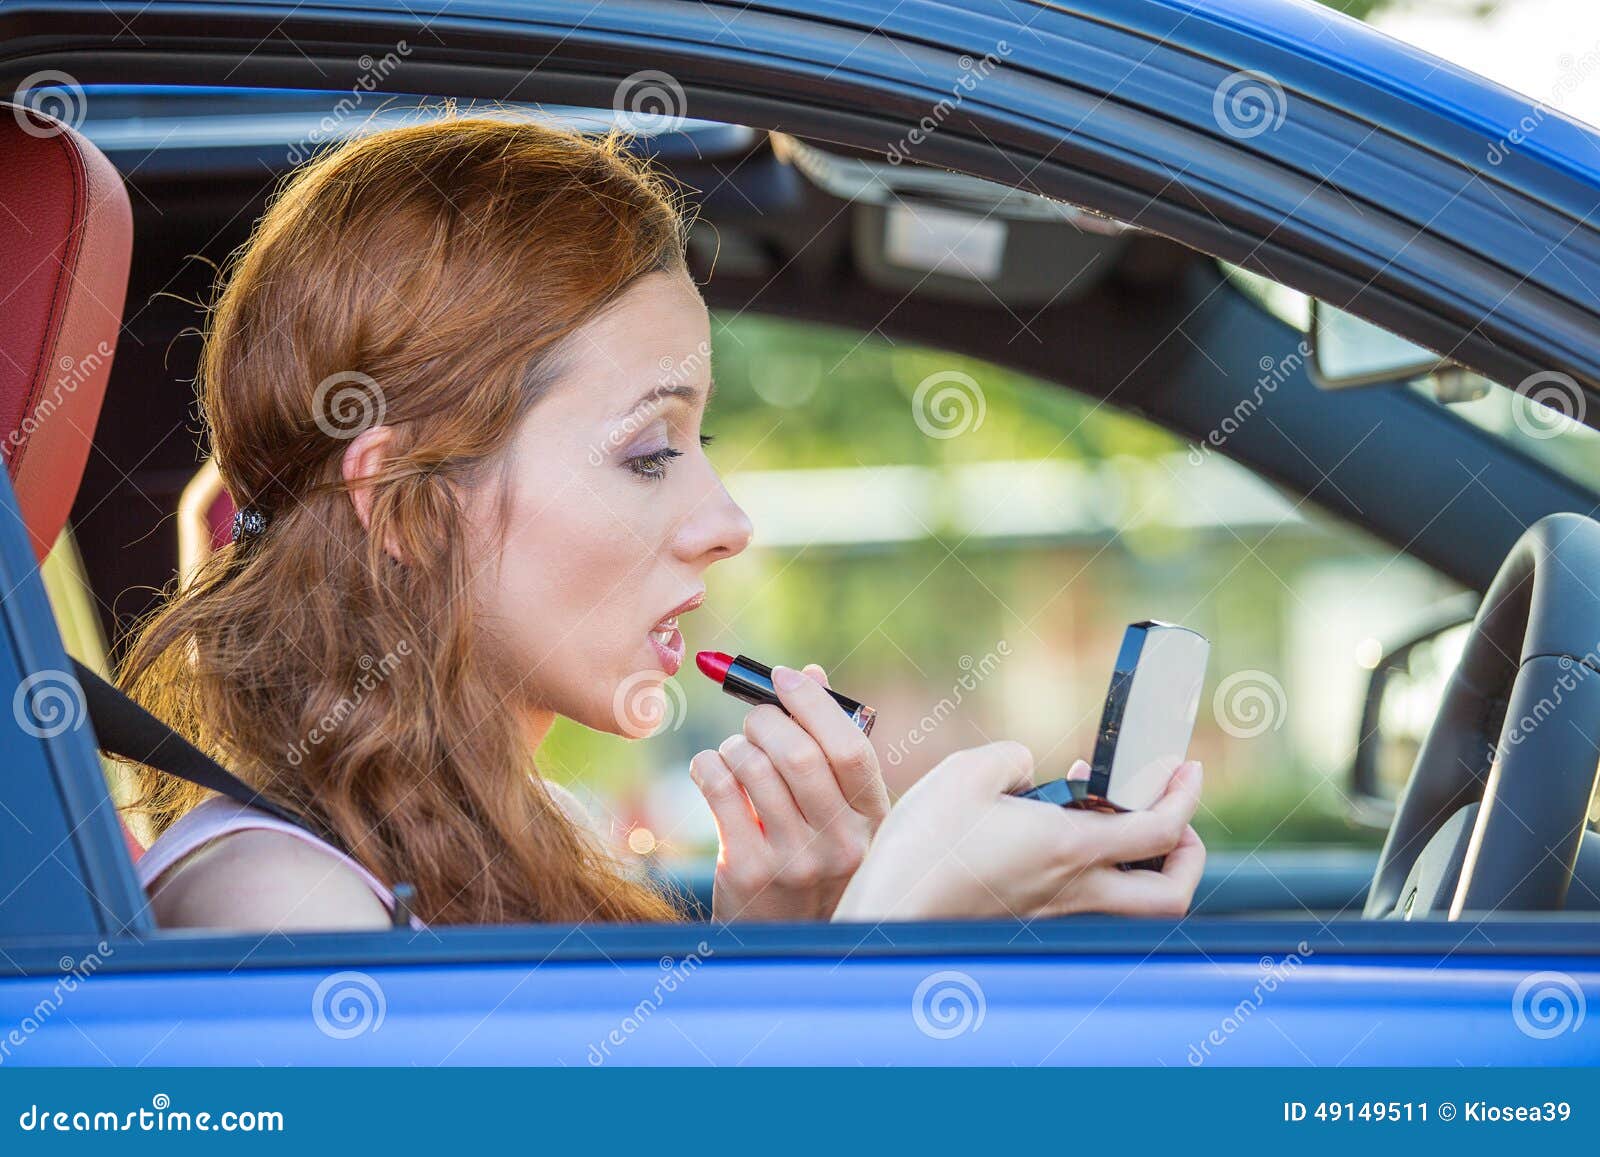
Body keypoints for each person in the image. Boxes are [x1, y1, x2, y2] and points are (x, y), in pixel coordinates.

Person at [120, 115, 1205, 932]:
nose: (727, 523)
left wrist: (794, 928)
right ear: (402, 500)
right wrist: (892, 934)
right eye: (647, 453)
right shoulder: (277, 904)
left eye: (703, 448)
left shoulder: (529, 836)